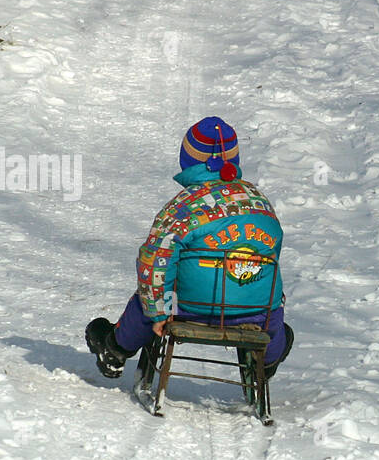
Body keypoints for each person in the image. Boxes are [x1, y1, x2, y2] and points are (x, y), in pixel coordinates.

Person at [85, 116, 293, 380]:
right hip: (257, 314)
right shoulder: (260, 203)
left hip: (187, 309)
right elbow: (274, 255)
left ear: (188, 160)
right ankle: (267, 358)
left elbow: (154, 261)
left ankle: (115, 348)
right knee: (272, 310)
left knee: (150, 296)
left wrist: (158, 312)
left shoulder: (184, 207)